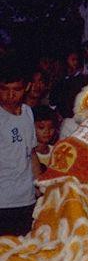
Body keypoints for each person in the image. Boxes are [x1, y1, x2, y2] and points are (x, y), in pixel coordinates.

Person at [0, 58, 40, 236]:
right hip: (3, 200)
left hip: (26, 197)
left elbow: (31, 152)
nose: (10, 95)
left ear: (27, 87)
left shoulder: (28, 112)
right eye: (4, 90)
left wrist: (39, 184)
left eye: (16, 90)